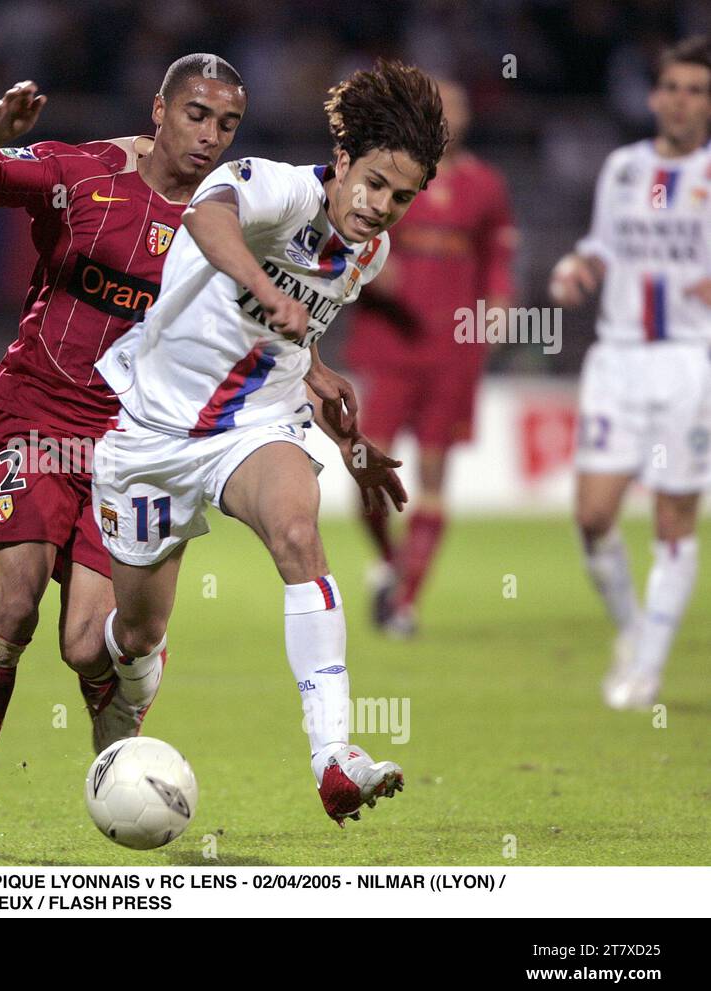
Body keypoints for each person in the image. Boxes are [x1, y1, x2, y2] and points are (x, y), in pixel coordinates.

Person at [93, 60, 447, 827]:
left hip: (252, 427)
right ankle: (131, 679)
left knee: (297, 530)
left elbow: (292, 340)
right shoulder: (275, 186)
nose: (381, 208)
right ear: (344, 158)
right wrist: (273, 286)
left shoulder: (368, 252)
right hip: (150, 431)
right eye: (375, 184)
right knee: (138, 632)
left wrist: (326, 394)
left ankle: (333, 758)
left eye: (402, 197)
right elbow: (205, 217)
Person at [0, 56, 248, 857]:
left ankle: (132, 671)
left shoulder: (234, 220)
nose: (209, 136)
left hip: (137, 445)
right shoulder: (85, 172)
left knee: (90, 648)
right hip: (38, 418)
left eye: (225, 124)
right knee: (13, 606)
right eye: (196, 115)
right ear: (159, 110)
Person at [549, 36, 711, 710]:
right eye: (672, 87)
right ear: (652, 96)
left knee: (674, 519)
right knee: (592, 516)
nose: (682, 101)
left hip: (685, 364)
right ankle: (632, 632)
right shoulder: (622, 168)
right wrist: (575, 267)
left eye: (697, 90)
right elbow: (601, 245)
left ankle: (645, 670)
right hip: (616, 361)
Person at [344, 79, 517, 637]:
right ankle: (394, 567)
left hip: (453, 351)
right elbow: (347, 236)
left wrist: (499, 307)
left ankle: (405, 603)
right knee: (368, 471)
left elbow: (497, 260)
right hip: (389, 345)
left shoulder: (485, 186)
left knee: (436, 473)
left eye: (458, 105)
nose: (450, 116)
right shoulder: (385, 175)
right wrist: (369, 266)